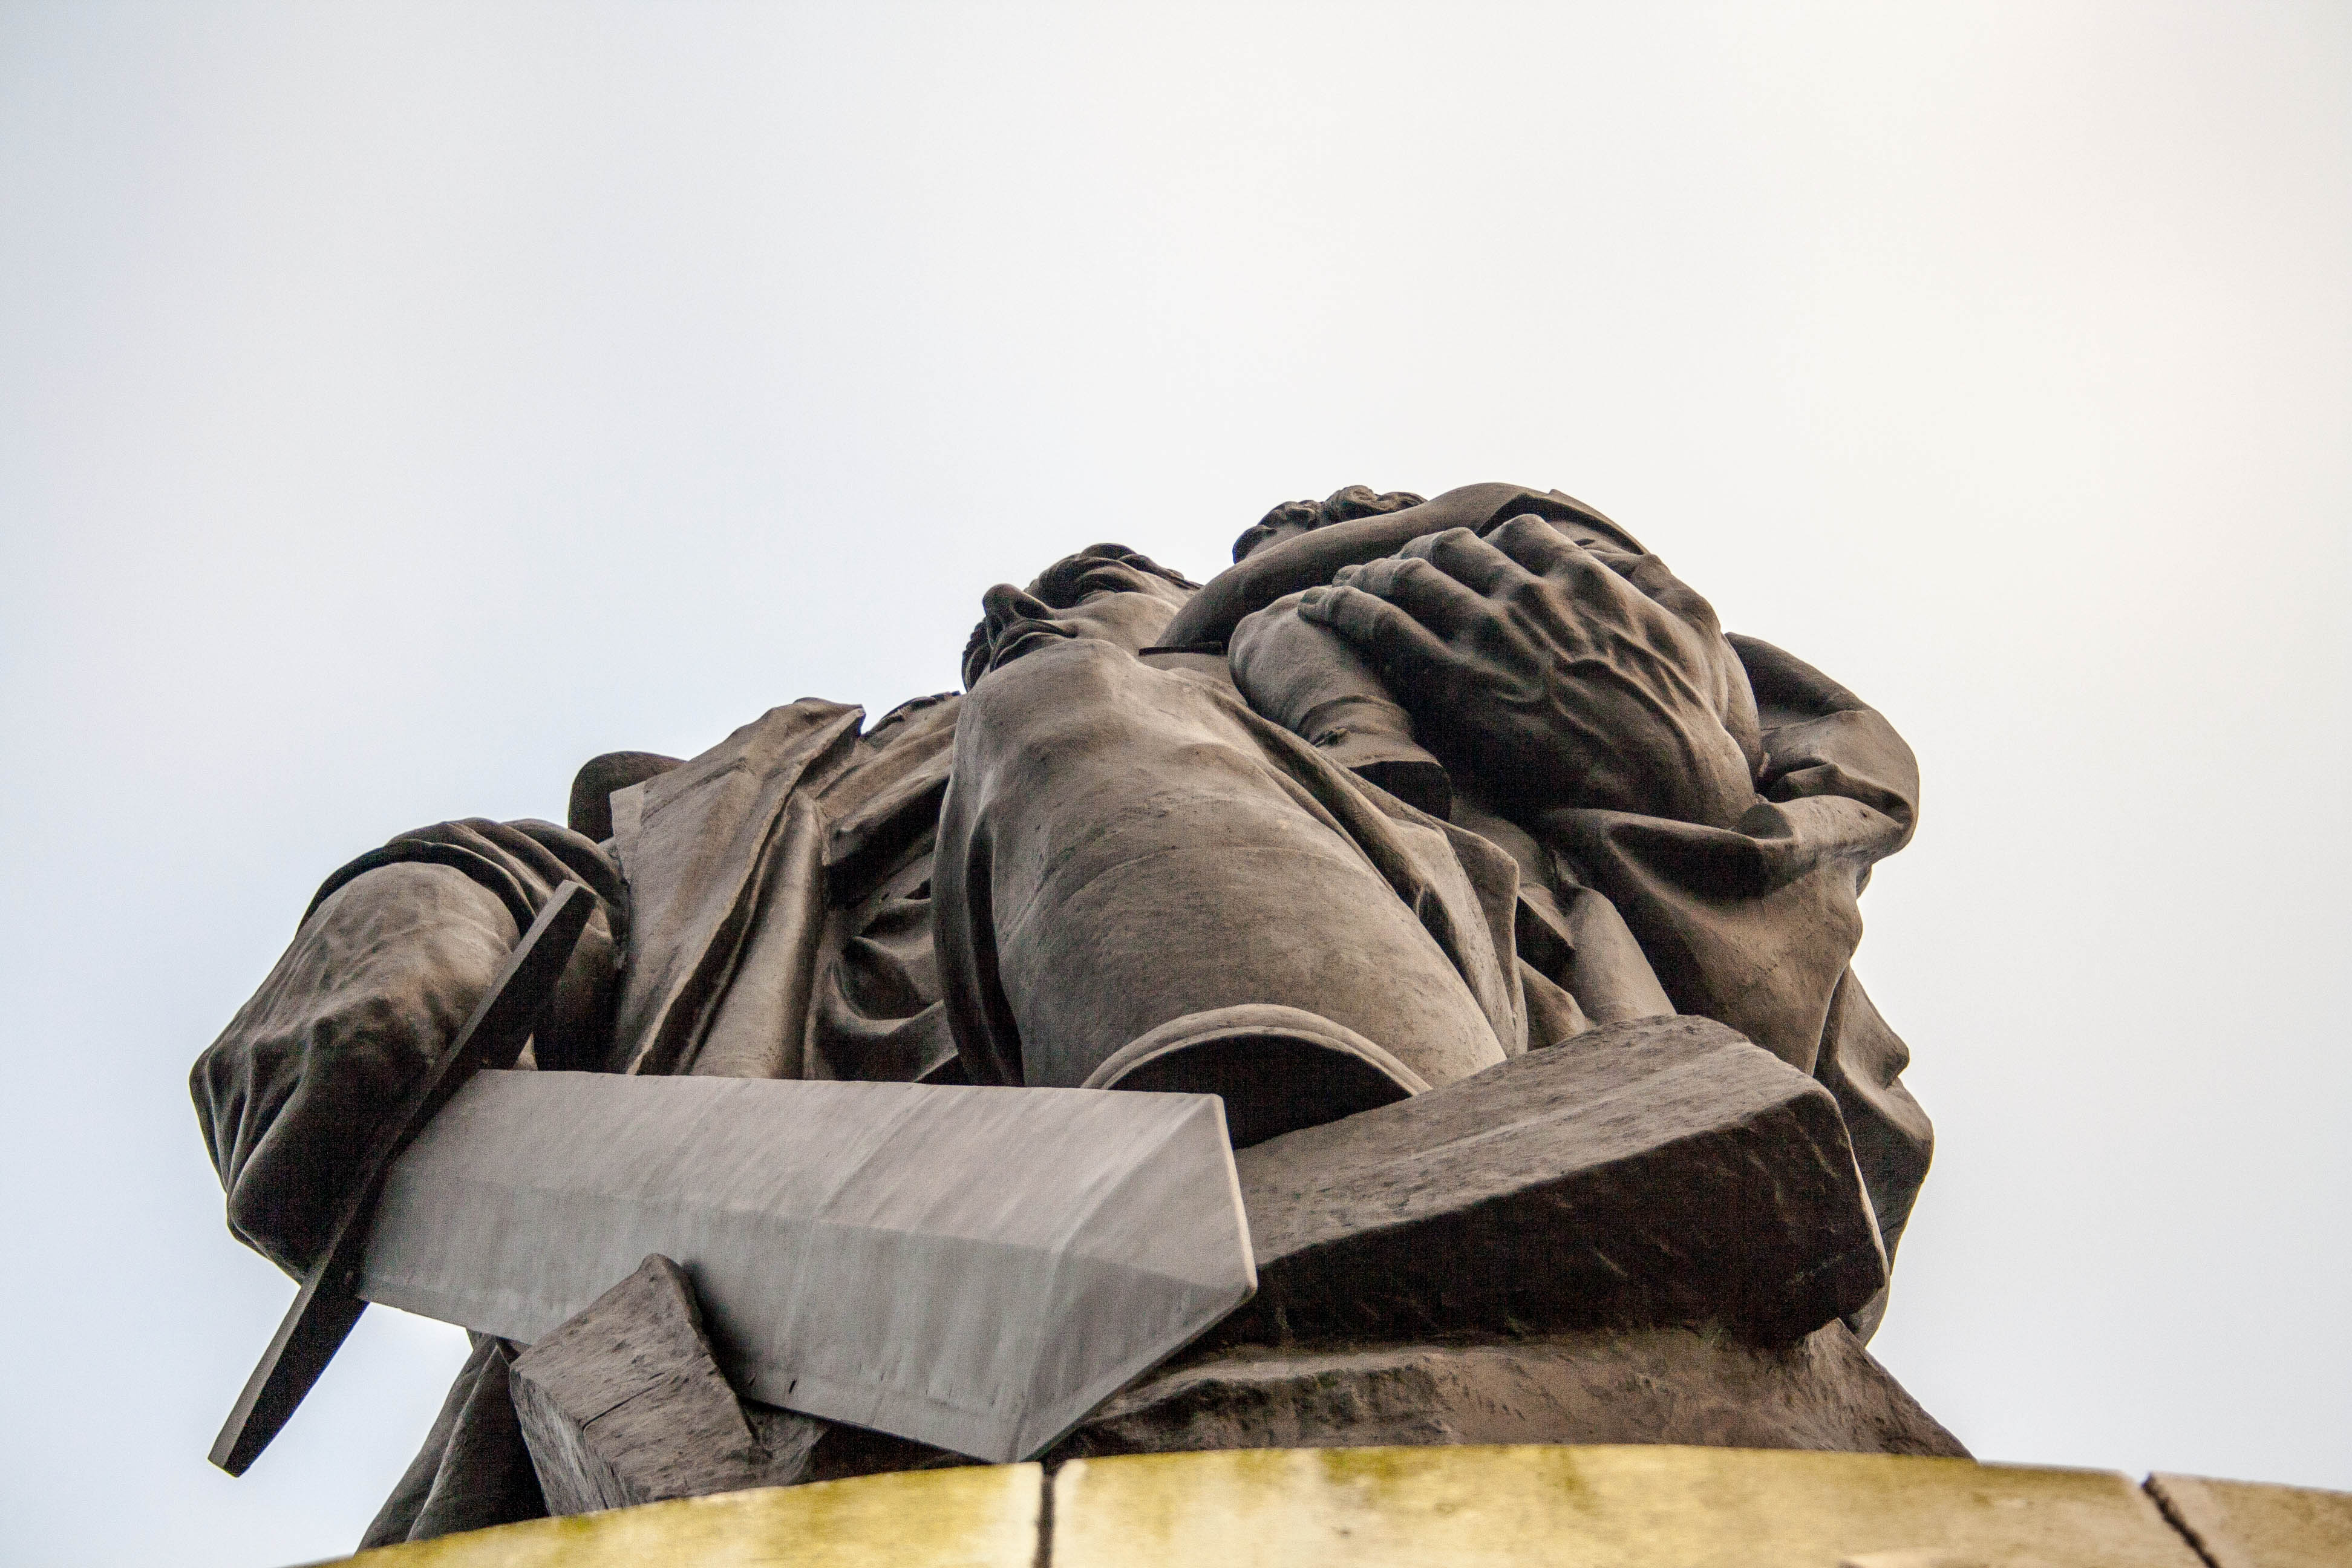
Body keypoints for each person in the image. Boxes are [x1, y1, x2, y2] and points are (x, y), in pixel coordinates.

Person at [192, 482, 1931, 1544]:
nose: (1024, 612)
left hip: (1393, 1196)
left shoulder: (1327, 690)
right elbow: (551, 881)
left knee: (1087, 729)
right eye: (1000, 618)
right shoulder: (760, 799)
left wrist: (1672, 782)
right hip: (736, 1342)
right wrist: (402, 918)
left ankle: (1294, 1221)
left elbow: (1755, 841)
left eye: (1099, 577)